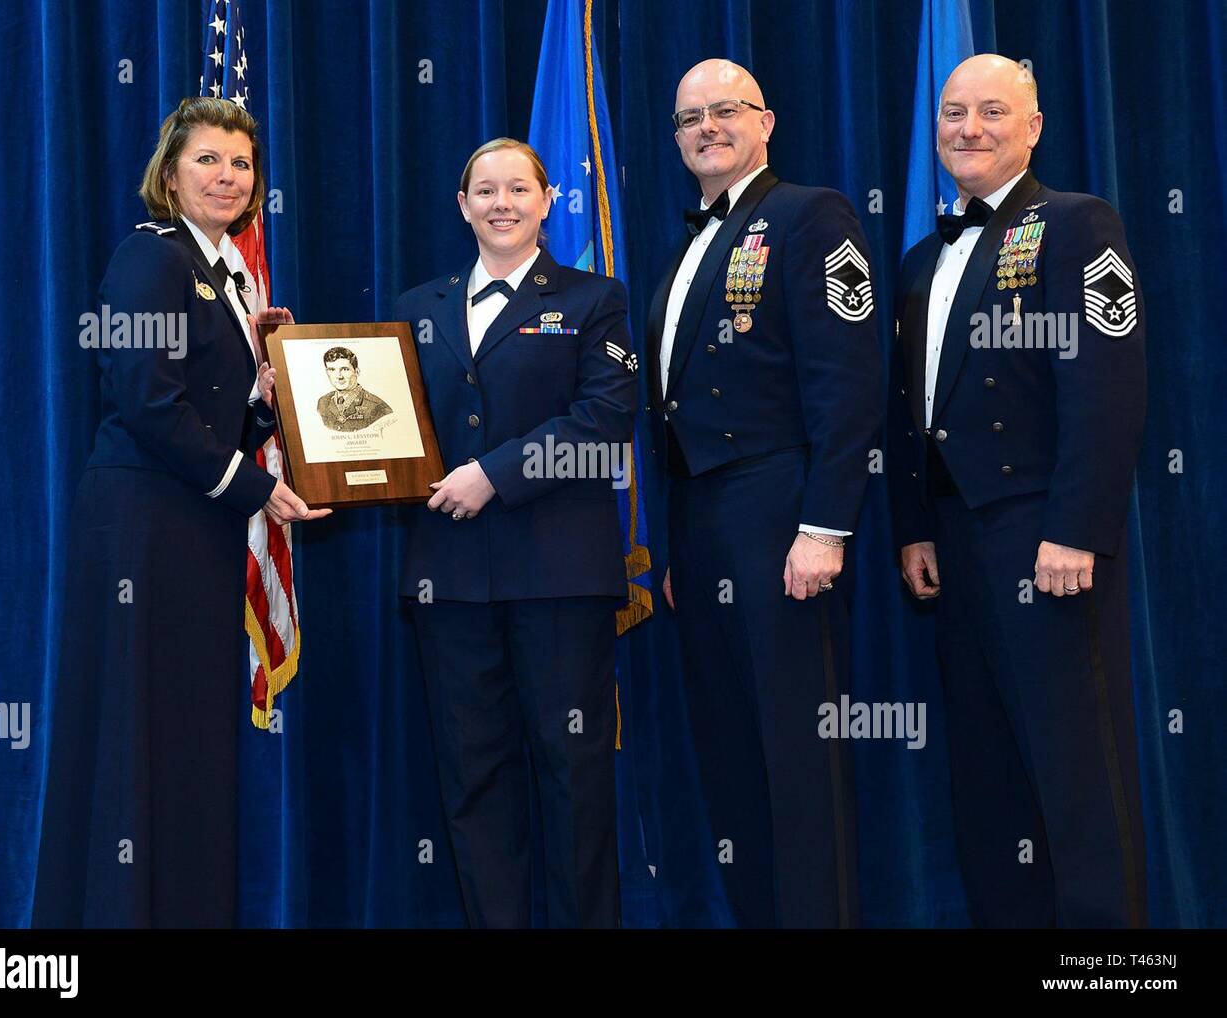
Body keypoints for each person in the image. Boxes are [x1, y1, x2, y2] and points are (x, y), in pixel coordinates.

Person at [32, 97, 330, 928]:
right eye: (208, 159)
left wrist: (268, 404)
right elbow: (146, 402)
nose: (227, 176)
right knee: (138, 732)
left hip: (189, 528)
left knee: (187, 736)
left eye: (240, 164)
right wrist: (255, 487)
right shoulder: (151, 257)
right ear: (170, 173)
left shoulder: (225, 272)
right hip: (141, 529)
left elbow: (210, 419)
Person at [886, 54, 1147, 927]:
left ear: (1032, 127)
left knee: (1076, 774)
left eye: (991, 112)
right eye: (954, 113)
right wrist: (914, 525)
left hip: (1045, 533)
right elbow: (913, 405)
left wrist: (1077, 525)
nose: (968, 128)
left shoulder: (1077, 224)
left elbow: (1104, 385)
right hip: (957, 543)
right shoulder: (924, 257)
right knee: (988, 775)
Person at [648, 59, 882, 927]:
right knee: (732, 748)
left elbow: (846, 383)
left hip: (783, 516)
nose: (706, 127)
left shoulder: (809, 214)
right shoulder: (691, 241)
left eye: (725, 111)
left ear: (767, 119)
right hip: (704, 526)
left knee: (798, 748)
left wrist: (825, 527)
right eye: (688, 118)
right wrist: (678, 549)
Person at [393, 138, 637, 928]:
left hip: (559, 578)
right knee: (473, 780)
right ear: (461, 206)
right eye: (485, 190)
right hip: (449, 580)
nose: (502, 202)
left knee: (574, 775)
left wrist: (494, 474)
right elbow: (389, 428)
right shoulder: (414, 308)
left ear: (547, 201)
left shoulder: (595, 297)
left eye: (518, 189)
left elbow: (606, 417)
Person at [316, 346, 393, 431]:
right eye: (332, 370)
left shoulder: (378, 407)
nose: (338, 376)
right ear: (327, 372)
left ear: (357, 372)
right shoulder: (323, 403)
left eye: (345, 369)